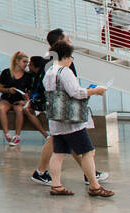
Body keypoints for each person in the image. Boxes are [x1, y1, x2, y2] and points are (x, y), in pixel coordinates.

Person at [43, 42, 114, 197]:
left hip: (56, 119)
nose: (71, 60)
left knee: (58, 152)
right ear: (66, 56)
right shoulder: (65, 72)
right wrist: (95, 91)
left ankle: (56, 185)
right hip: (71, 120)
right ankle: (95, 186)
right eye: (71, 57)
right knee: (88, 151)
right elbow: (76, 93)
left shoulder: (49, 73)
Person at [0, 51, 47, 147]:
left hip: (19, 100)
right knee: (1, 108)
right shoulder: (6, 72)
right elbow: (0, 88)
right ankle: (7, 133)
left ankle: (17, 135)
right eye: (24, 62)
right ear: (17, 61)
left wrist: (26, 97)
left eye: (27, 62)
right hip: (7, 98)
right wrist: (8, 90)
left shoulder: (28, 76)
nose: (26, 64)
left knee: (20, 110)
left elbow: (30, 91)